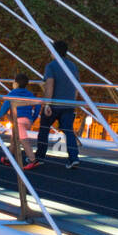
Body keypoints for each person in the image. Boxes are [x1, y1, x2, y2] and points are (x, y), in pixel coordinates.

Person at [25, 40, 81, 169]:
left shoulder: (51, 66)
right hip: (68, 104)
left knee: (44, 129)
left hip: (54, 105)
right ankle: (74, 158)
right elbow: (77, 87)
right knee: (68, 131)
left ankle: (39, 157)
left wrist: (47, 104)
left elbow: (49, 85)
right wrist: (73, 101)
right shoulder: (73, 66)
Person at [0, 73, 40, 165]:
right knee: (14, 139)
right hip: (28, 120)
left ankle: (32, 160)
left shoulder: (13, 93)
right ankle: (8, 158)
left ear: (16, 84)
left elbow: (5, 107)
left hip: (18, 121)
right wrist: (33, 118)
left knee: (24, 140)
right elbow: (38, 106)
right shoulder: (29, 94)